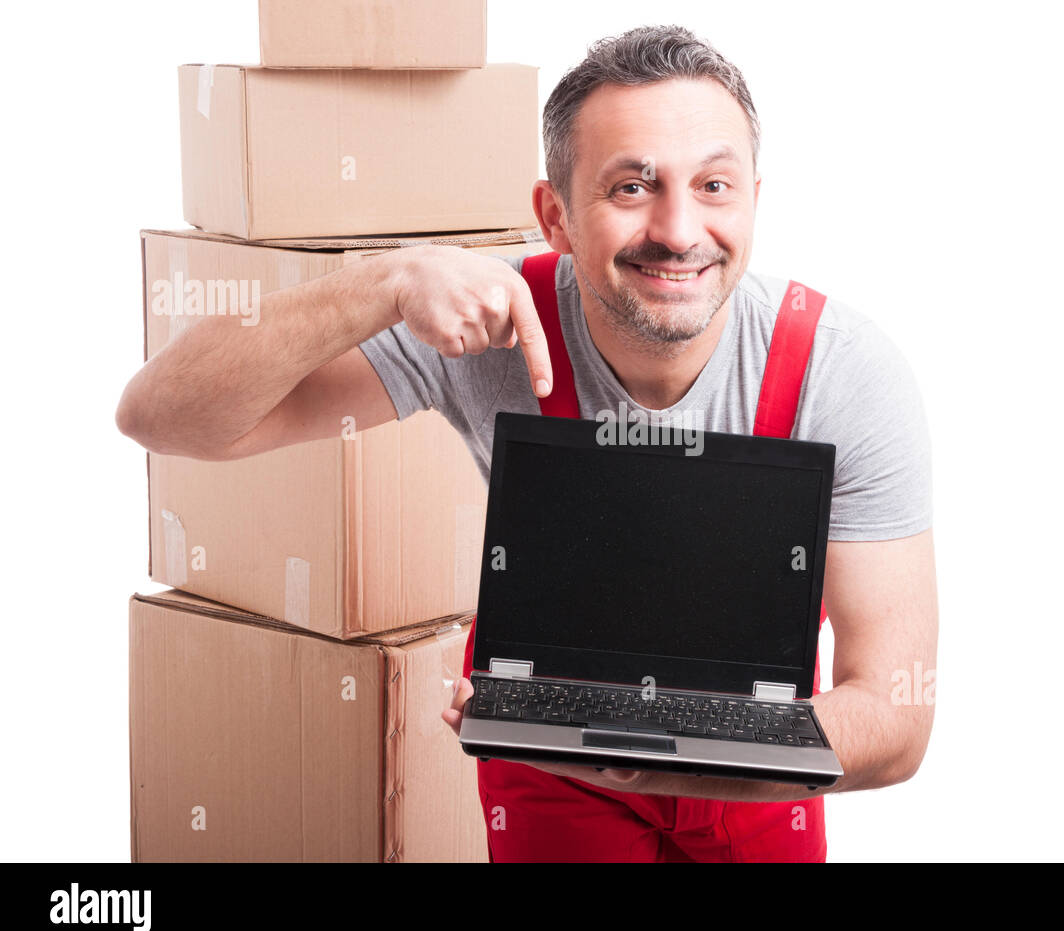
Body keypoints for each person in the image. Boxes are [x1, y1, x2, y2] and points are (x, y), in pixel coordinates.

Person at [117, 24, 939, 863]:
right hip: (552, 763)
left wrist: (651, 752)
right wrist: (386, 280)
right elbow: (160, 416)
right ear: (555, 216)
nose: (680, 229)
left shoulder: (841, 373)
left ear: (754, 198)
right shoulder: (491, 323)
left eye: (715, 185)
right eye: (631, 187)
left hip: (760, 758)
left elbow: (896, 719)